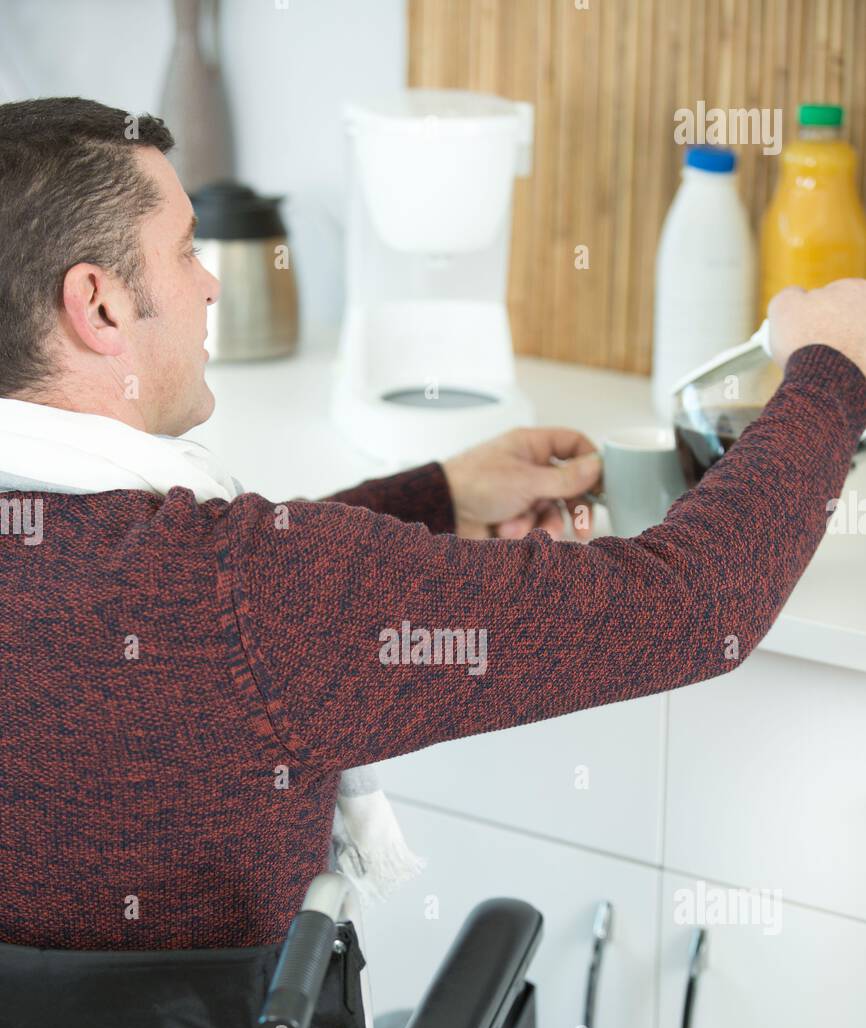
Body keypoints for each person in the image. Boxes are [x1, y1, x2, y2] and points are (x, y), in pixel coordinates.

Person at [1, 97, 865, 954]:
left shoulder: (201, 575)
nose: (211, 281)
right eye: (187, 250)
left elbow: (258, 602)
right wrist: (831, 372)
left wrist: (437, 494)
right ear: (100, 306)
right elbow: (691, 609)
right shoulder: (246, 593)